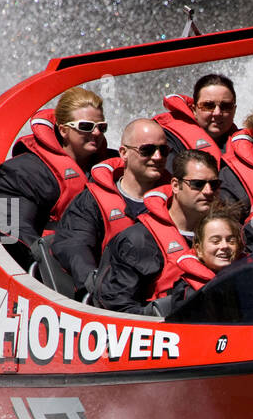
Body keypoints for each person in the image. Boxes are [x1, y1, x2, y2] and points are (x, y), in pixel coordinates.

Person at [0, 87, 112, 268]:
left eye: (101, 127)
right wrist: (52, 265)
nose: (97, 133)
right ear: (63, 130)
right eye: (86, 126)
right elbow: (10, 227)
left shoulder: (117, 165)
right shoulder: (20, 173)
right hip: (58, 271)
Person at [93, 149, 225, 315]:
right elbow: (116, 308)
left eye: (214, 184)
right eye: (197, 184)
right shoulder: (138, 241)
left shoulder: (226, 237)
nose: (208, 191)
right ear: (176, 186)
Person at [50, 118, 171, 294]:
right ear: (123, 153)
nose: (158, 157)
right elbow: (74, 246)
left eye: (164, 150)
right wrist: (97, 285)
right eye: (147, 150)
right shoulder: (90, 202)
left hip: (169, 298)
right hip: (114, 298)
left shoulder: (179, 197)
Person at [154, 73, 238, 162]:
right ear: (194, 110)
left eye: (226, 106)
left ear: (234, 110)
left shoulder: (251, 145)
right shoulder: (169, 142)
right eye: (208, 106)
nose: (217, 113)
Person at [194, 210, 245, 276]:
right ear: (199, 250)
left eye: (231, 241)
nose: (225, 246)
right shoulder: (185, 285)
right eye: (216, 241)